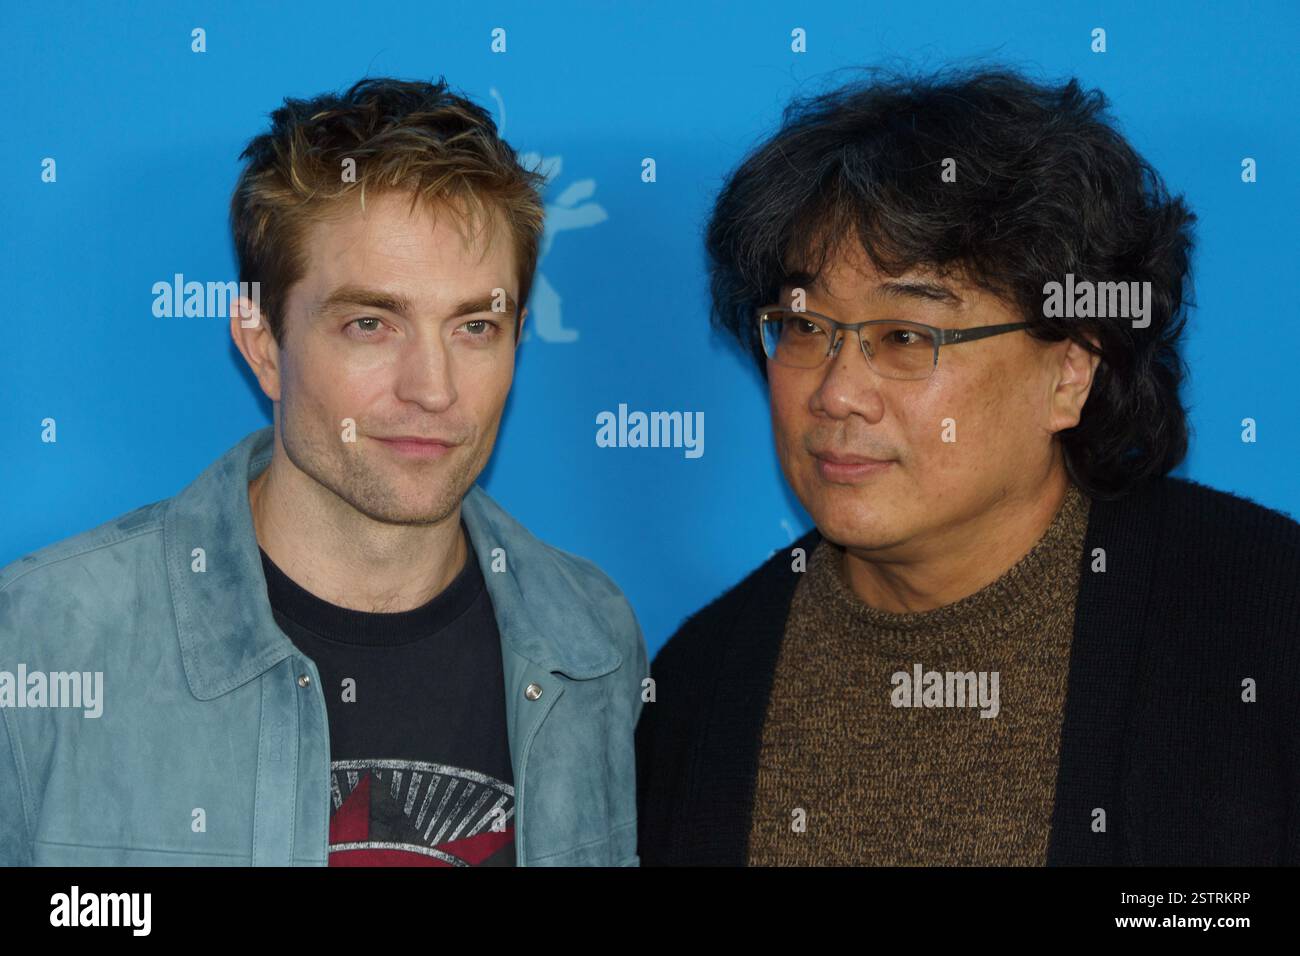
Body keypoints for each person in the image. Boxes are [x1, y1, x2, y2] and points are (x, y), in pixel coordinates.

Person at [635, 66, 1300, 865]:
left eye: (908, 337)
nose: (838, 393)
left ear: (1070, 372)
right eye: (805, 327)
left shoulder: (1261, 623)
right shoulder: (702, 687)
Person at [0, 77, 646, 867]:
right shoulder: (41, 644)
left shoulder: (592, 643)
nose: (433, 389)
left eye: (475, 325)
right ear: (263, 342)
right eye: (371, 324)